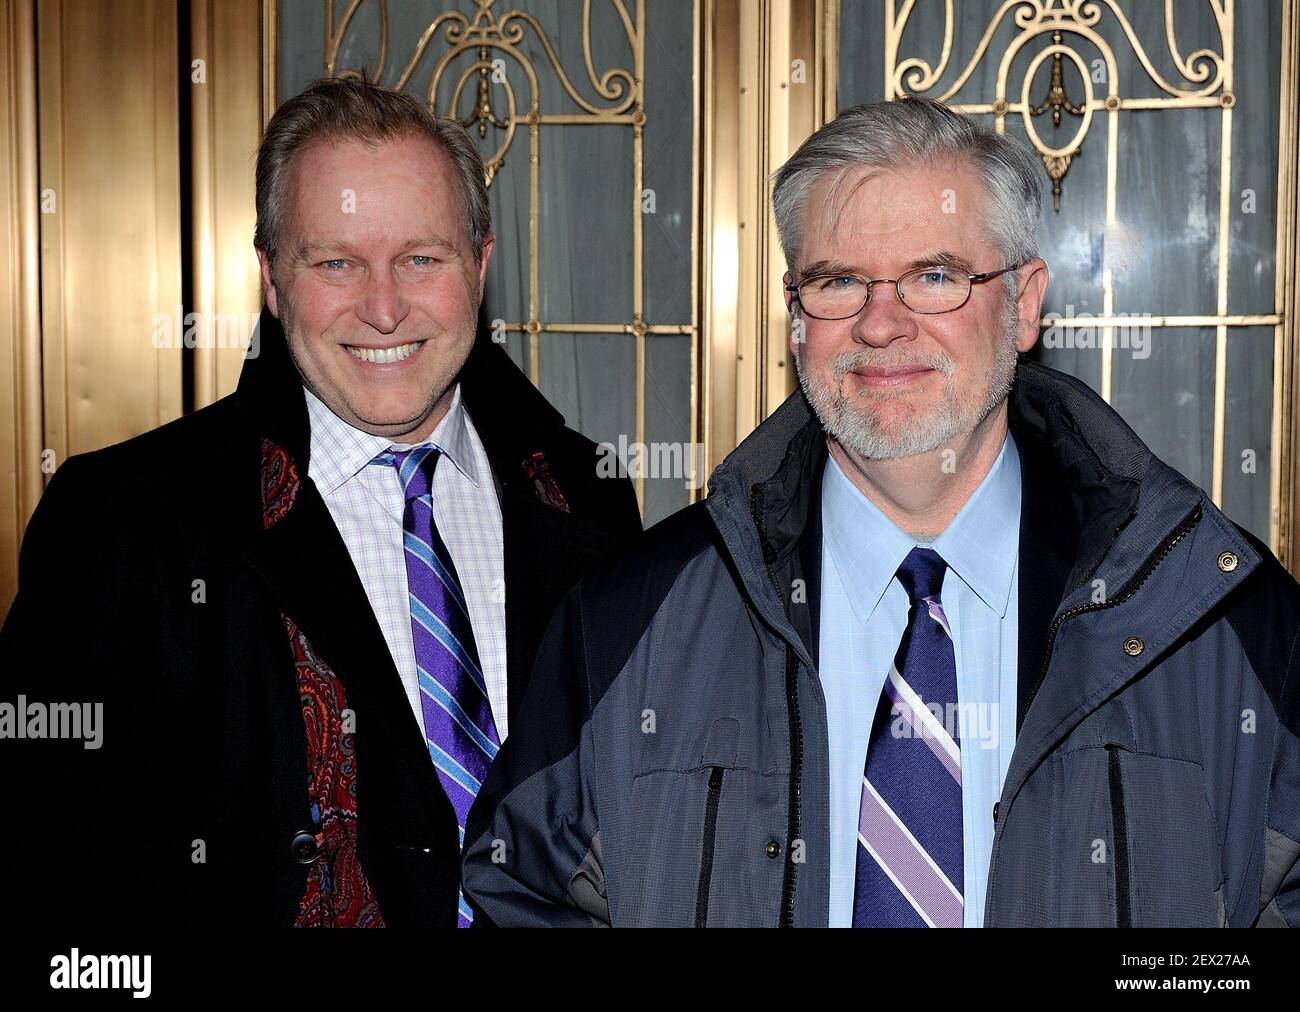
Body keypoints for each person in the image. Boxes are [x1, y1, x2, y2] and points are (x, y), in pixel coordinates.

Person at [462, 97, 1300, 927]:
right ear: (794, 316)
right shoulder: (634, 617)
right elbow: (519, 886)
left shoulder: (1217, 615)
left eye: (935, 276)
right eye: (838, 282)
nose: (880, 323)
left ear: (1024, 303)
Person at [0, 78, 640, 929]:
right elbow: (47, 869)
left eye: (422, 257)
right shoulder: (124, 525)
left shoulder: (586, 493)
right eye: (335, 262)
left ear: (480, 266)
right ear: (271, 278)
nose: (383, 309)